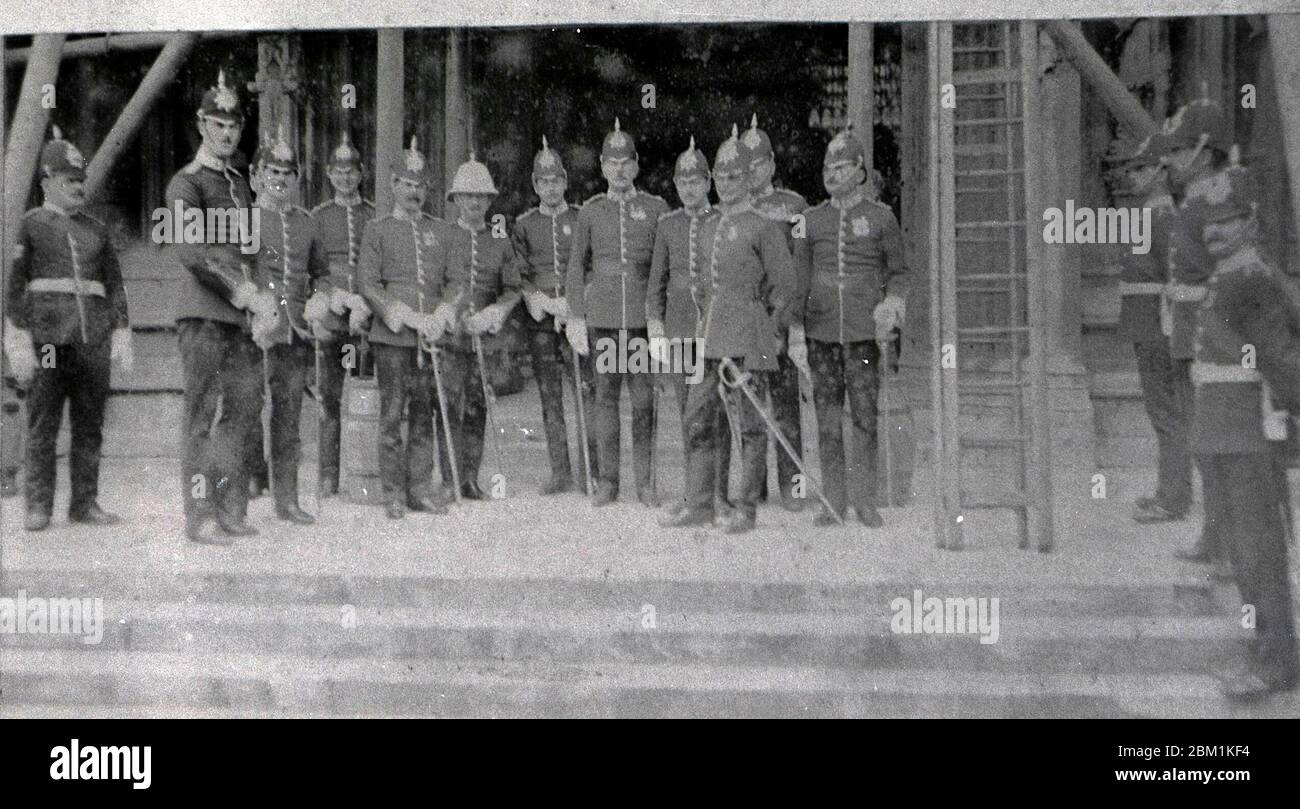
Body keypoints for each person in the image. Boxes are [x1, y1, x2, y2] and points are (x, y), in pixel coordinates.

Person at [1183, 160, 1299, 701]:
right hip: (1224, 430)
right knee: (1243, 554)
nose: (1214, 231)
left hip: (1249, 431)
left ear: (1251, 220)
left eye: (1226, 220)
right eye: (1209, 222)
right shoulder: (1233, 274)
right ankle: (1261, 648)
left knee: (1258, 553)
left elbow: (1282, 359)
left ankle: (1277, 661)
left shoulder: (1252, 278)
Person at [659, 126, 796, 534]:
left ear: (748, 178)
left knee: (750, 427)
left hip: (749, 337)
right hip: (709, 336)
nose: (726, 183)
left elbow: (785, 288)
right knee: (697, 417)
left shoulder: (763, 225)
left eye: (734, 176)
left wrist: (770, 335)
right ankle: (700, 502)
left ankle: (746, 509)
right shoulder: (706, 224)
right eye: (720, 176)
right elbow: (701, 285)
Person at [3, 126, 131, 531]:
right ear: (47, 183)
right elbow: (13, 287)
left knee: (89, 426)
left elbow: (114, 284)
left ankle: (85, 503)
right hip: (48, 342)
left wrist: (123, 331)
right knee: (43, 424)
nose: (78, 187)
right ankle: (38, 506)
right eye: (68, 180)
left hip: (92, 341)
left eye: (81, 180)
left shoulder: (96, 229)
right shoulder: (31, 225)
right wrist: (18, 336)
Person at [166, 71, 275, 545]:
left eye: (234, 125)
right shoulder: (185, 184)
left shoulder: (239, 184)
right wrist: (243, 294)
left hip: (241, 321)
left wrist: (268, 303)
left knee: (243, 413)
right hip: (205, 316)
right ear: (201, 125)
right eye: (218, 124)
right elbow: (193, 255)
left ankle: (231, 509)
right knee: (202, 417)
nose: (228, 133)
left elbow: (254, 253)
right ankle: (200, 515)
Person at [793, 128, 908, 528]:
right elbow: (799, 281)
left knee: (864, 416)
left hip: (862, 333)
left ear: (860, 172)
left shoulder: (881, 218)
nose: (833, 174)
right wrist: (795, 332)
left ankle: (864, 501)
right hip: (821, 332)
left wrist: (892, 305)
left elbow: (898, 273)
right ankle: (833, 501)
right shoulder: (809, 220)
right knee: (826, 419)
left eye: (841, 167)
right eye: (828, 167)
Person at [565, 119, 669, 507]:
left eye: (626, 162)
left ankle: (645, 483)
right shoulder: (591, 211)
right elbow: (576, 267)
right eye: (613, 162)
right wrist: (576, 317)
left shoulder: (656, 208)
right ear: (603, 167)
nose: (620, 169)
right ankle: (609, 482)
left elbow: (664, 267)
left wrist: (660, 321)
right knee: (606, 401)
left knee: (643, 402)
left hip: (640, 323)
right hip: (605, 321)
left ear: (637, 165)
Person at [356, 138, 455, 520]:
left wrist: (441, 314)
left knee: (424, 413)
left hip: (430, 335)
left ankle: (419, 488)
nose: (414, 192)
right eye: (407, 184)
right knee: (392, 414)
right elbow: (368, 283)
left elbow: (456, 280)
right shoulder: (377, 230)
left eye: (421, 186)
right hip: (393, 337)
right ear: (394, 184)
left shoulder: (441, 231)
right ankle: (393, 493)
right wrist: (405, 316)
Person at [1162, 96, 1234, 573]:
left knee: (1219, 447)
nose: (1170, 158)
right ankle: (1217, 535)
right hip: (1193, 337)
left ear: (1205, 152)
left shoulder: (1221, 197)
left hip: (1217, 340)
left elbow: (1229, 274)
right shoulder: (1200, 196)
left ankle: (1227, 541)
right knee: (1205, 444)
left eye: (1181, 148)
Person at [646, 135, 732, 523]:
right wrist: (656, 330)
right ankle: (694, 494)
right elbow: (655, 286)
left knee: (719, 416)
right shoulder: (667, 225)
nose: (688, 188)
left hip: (715, 332)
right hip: (680, 333)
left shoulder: (723, 220)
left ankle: (720, 495)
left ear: (709, 181)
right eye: (682, 182)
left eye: (695, 181)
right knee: (689, 416)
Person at [1110, 133, 1192, 524]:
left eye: (1141, 168)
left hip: (1159, 325)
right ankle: (1169, 492)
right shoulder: (1149, 213)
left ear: (1160, 171)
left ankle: (1173, 499)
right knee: (1162, 412)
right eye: (1132, 169)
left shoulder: (1162, 216)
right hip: (1147, 324)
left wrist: (1171, 326)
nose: (1133, 176)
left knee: (1168, 414)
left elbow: (1177, 277)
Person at [251, 126, 329, 525]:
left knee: (288, 418)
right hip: (252, 333)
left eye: (288, 172)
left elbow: (323, 274)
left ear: (297, 179)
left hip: (295, 332)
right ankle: (240, 495)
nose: (280, 179)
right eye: (273, 171)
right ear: (260, 174)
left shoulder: (307, 223)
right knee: (244, 414)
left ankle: (287, 500)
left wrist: (320, 298)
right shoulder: (243, 219)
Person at [512, 137, 598, 494]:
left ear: (565, 181)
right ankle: (560, 472)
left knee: (586, 393)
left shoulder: (581, 218)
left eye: (556, 181)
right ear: (535, 184)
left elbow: (593, 267)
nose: (550, 188)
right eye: (543, 182)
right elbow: (519, 274)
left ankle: (590, 472)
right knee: (550, 398)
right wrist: (545, 303)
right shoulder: (524, 223)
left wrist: (574, 305)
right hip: (542, 321)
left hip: (578, 316)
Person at [435, 154, 520, 500]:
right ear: (455, 199)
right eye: (467, 195)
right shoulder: (441, 235)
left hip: (484, 338)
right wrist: (447, 312)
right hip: (449, 336)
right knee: (448, 406)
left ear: (489, 201)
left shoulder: (499, 239)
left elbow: (513, 287)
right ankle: (448, 478)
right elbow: (432, 284)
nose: (474, 202)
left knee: (476, 407)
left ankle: (469, 479)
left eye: (481, 196)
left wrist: (496, 312)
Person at [744, 114, 809, 512]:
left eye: (758, 165)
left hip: (781, 316)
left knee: (786, 408)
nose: (751, 174)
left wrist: (794, 321)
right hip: (749, 318)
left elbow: (801, 266)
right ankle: (754, 488)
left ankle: (793, 488)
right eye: (744, 168)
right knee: (751, 407)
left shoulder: (793, 205)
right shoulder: (730, 207)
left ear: (771, 164)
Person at [309, 132, 376, 497]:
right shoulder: (318, 217)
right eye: (338, 171)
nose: (345, 178)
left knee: (365, 398)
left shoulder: (373, 216)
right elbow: (313, 271)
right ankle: (327, 474)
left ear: (361, 173)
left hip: (363, 321)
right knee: (329, 400)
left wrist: (363, 302)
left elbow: (376, 268)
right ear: (329, 174)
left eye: (351, 172)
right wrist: (332, 302)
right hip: (333, 320)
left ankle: (363, 473)